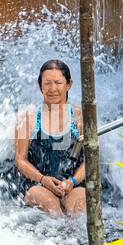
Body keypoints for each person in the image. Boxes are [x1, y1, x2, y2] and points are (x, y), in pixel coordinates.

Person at [14, 59, 87, 217]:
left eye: (58, 82)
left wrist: (72, 182)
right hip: (38, 186)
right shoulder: (28, 118)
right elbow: (20, 160)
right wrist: (43, 179)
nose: (52, 88)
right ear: (40, 86)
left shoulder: (81, 118)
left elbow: (92, 160)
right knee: (53, 210)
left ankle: (77, 242)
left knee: (80, 208)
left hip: (73, 186)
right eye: (47, 83)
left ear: (69, 84)